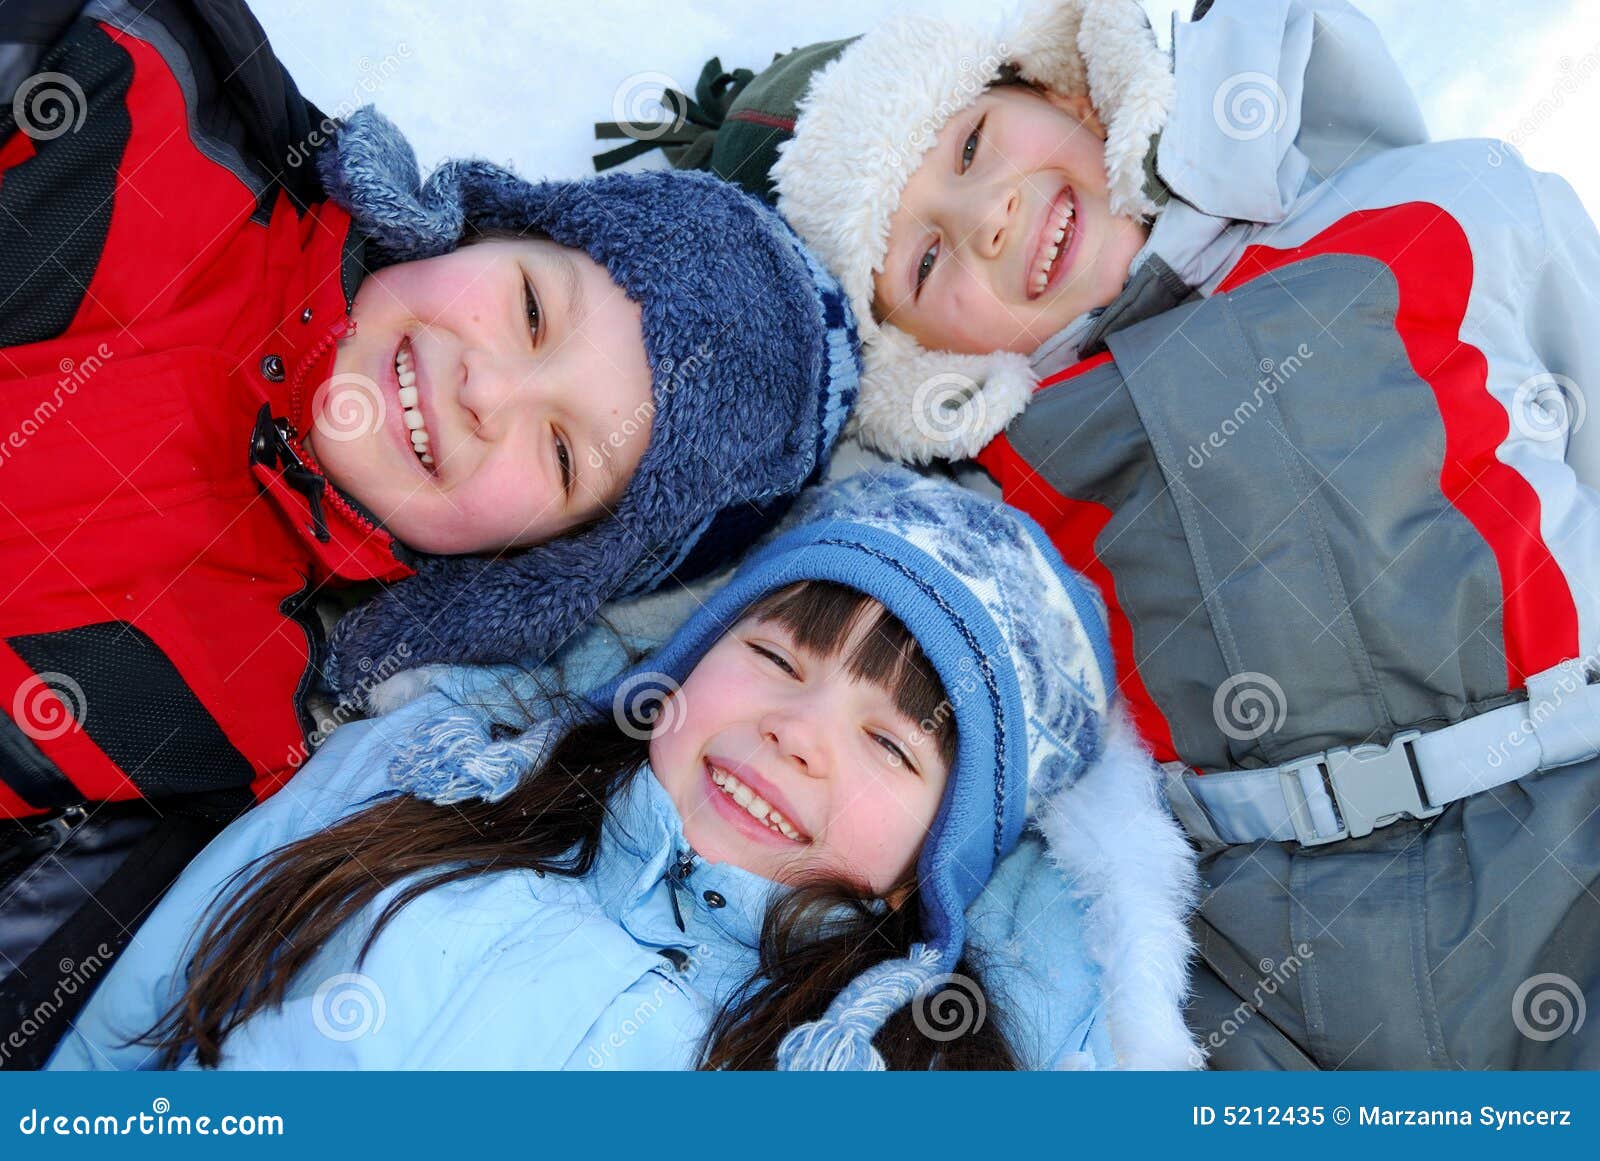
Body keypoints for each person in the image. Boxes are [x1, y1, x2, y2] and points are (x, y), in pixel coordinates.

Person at [632, 0, 1600, 1066]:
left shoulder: (1417, 218)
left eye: (968, 147)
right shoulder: (985, 500)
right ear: (916, 365)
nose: (987, 222)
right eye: (923, 262)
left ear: (1063, 88)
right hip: (1305, 988)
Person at [0, 0, 856, 1063]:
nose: (489, 390)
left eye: (560, 454)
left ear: (530, 568)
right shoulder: (146, 105)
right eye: (535, 312)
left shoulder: (231, 740)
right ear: (486, 229)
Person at [47, 469, 1199, 1070]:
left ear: (928, 876)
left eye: (889, 744)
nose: (800, 731)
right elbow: (132, 1031)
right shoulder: (423, 787)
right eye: (771, 655)